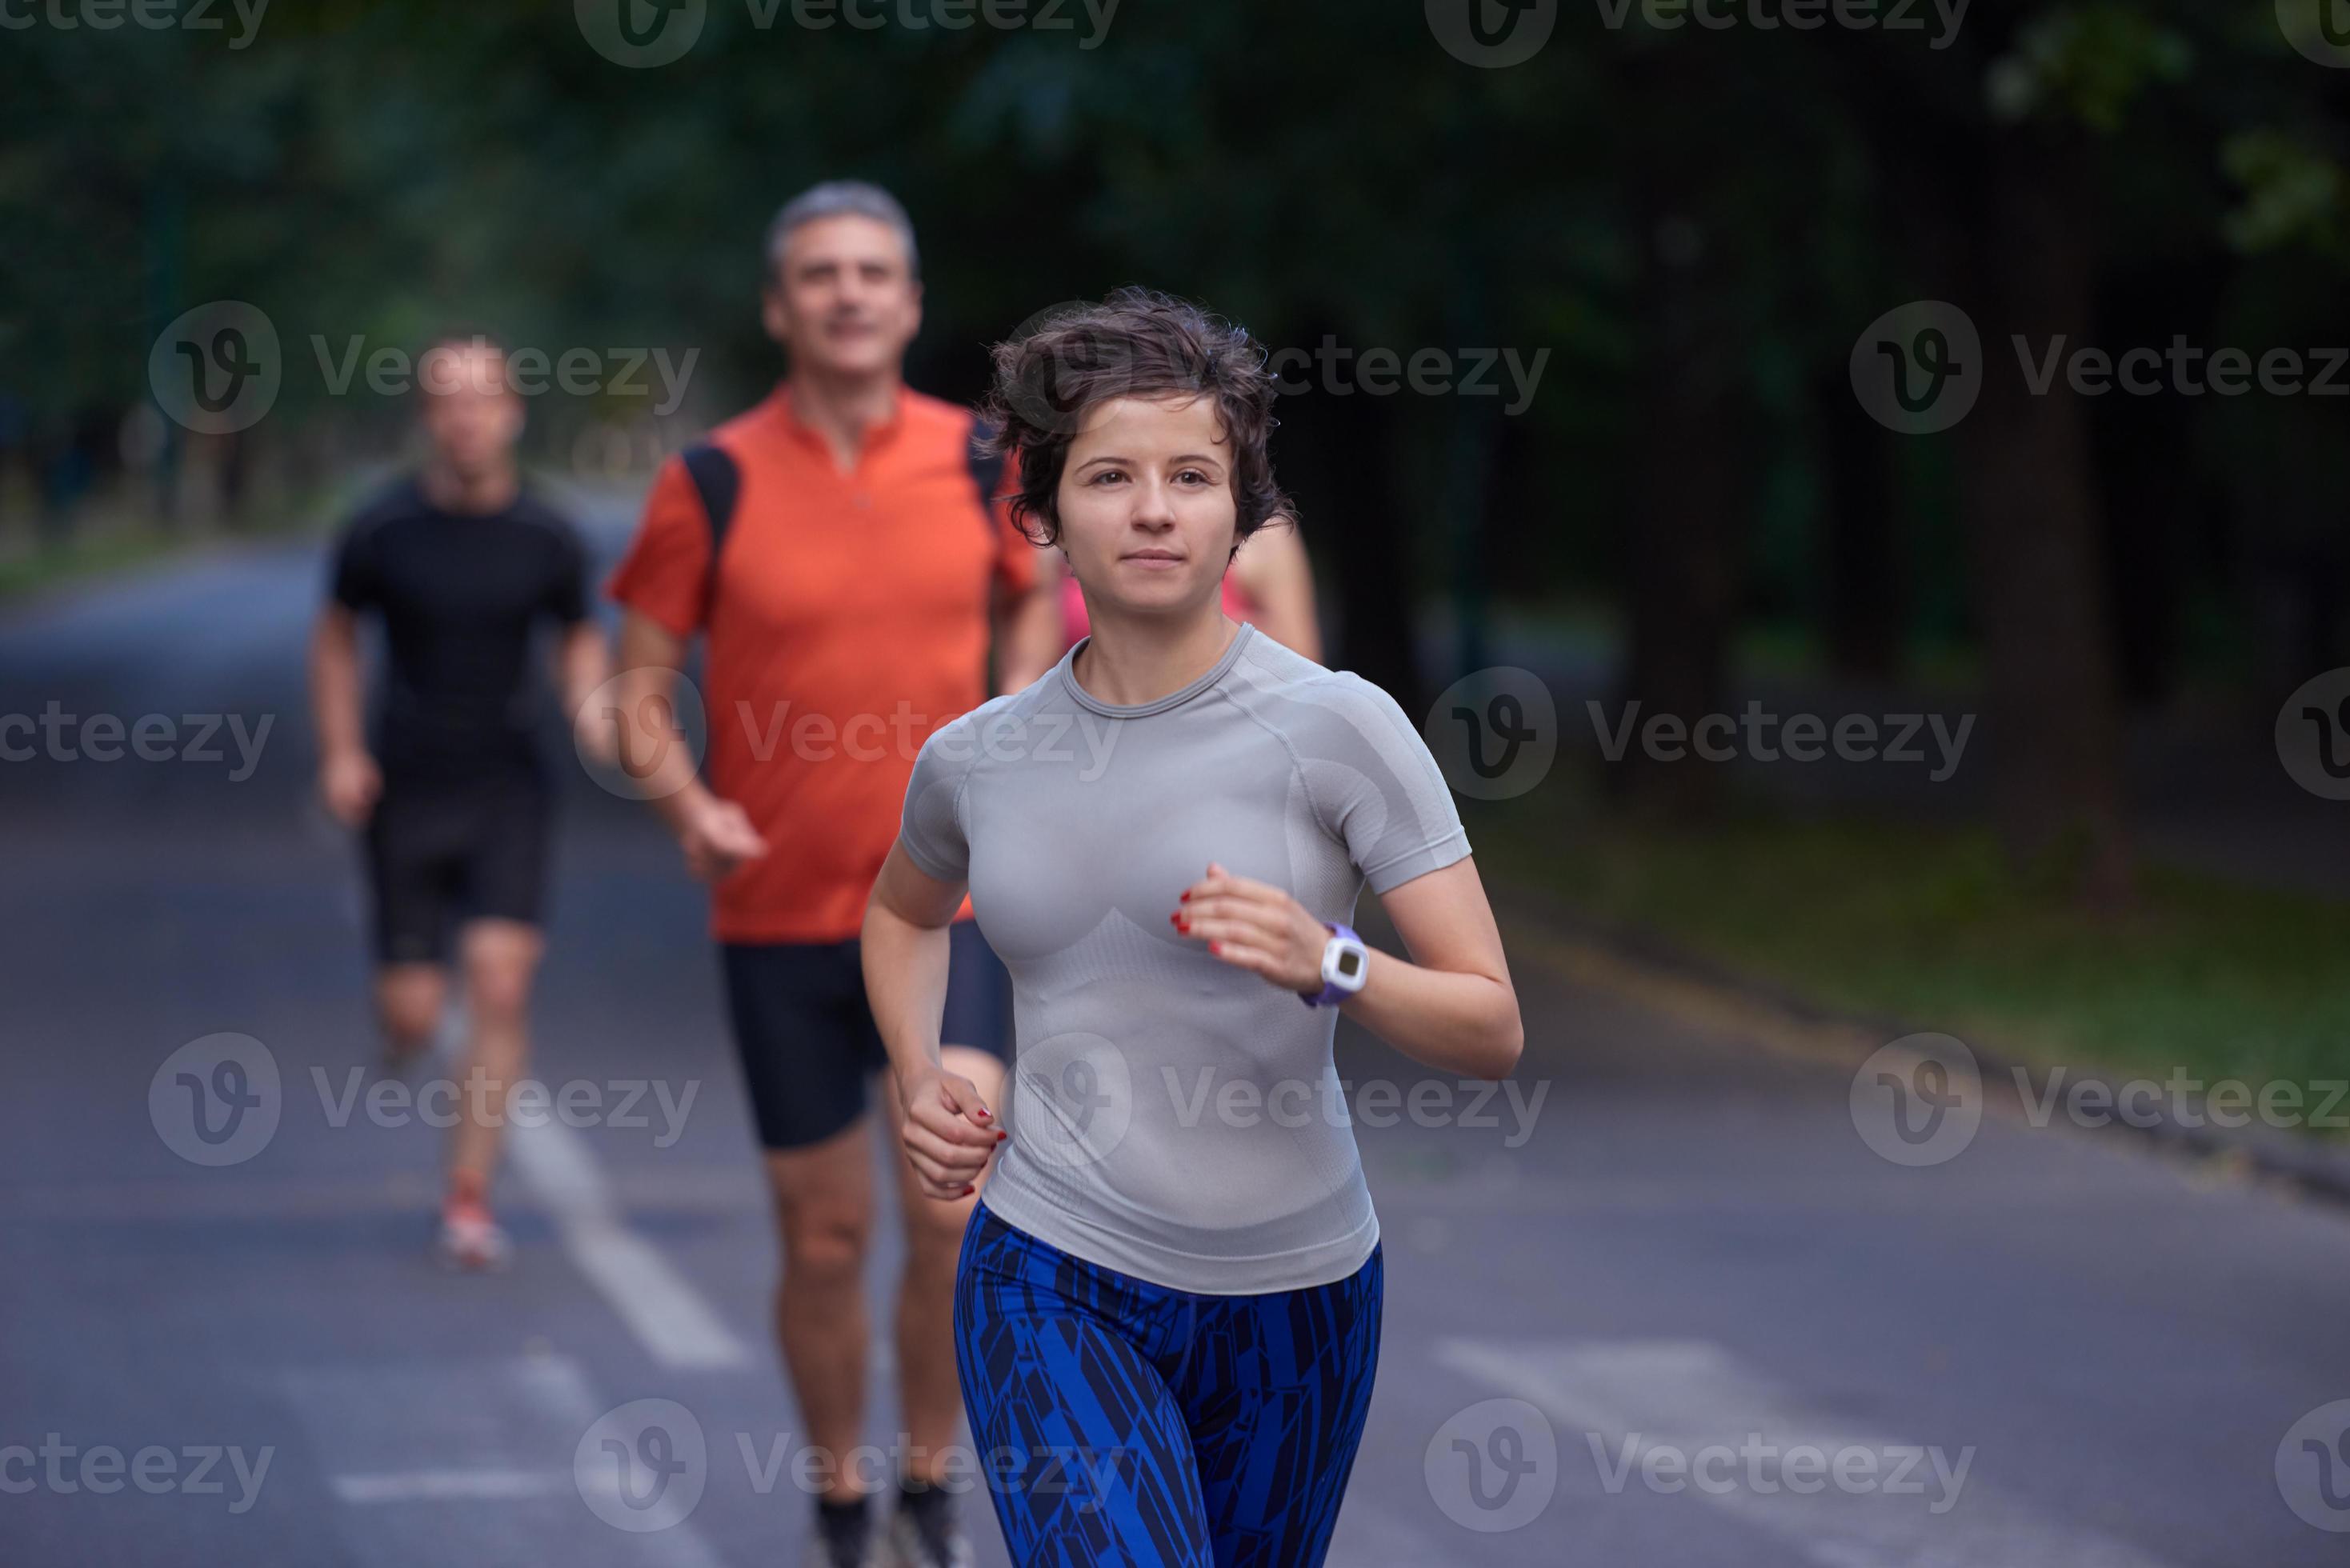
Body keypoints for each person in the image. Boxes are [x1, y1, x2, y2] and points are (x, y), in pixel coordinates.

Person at [863, 289, 1524, 1566]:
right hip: (1051, 1271)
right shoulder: (976, 758)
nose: (1154, 509)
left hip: (1301, 1295)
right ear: (1045, 511)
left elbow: (1489, 1024)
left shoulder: (1339, 727)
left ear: (1243, 510)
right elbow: (901, 914)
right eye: (1109, 475)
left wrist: (1329, 962)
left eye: (1192, 475)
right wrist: (919, 1068)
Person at [604, 182, 1063, 1568]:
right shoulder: (712, 482)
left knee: (951, 1213)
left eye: (874, 271)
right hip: (781, 916)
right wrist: (685, 798)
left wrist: (1020, 711)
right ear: (778, 306)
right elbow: (629, 690)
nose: (849, 292)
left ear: (912, 303)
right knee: (823, 1239)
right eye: (819, 273)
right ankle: (839, 1501)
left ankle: (928, 1484)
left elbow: (1036, 592)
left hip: (952, 910)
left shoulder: (988, 463)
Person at [309, 333, 607, 1270]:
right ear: (429, 418)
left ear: (513, 412)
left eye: (483, 398)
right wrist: (342, 750)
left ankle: (468, 1197)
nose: (467, 417)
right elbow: (335, 638)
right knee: (413, 1010)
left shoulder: (548, 533)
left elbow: (577, 637)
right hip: (406, 786)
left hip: (509, 783)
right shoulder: (381, 529)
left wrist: (595, 714)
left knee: (501, 980)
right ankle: (400, 1023)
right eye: (448, 400)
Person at [1046, 506, 1323, 660]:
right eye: (1112, 477)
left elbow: (1302, 661)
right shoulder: (1056, 537)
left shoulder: (1263, 534)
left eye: (1190, 477)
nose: (1154, 515)